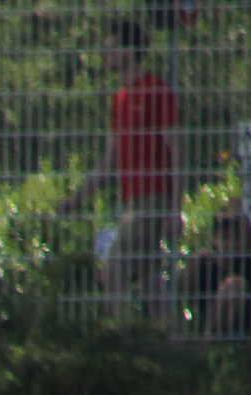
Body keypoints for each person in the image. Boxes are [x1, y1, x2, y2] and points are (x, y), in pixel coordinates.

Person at [60, 15, 179, 318]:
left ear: (129, 51)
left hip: (152, 199)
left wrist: (174, 209)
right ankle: (167, 337)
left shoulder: (156, 89)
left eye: (110, 48)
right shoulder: (121, 98)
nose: (104, 55)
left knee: (114, 269)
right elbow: (109, 160)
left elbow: (177, 150)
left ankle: (118, 336)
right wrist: (77, 197)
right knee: (150, 279)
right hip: (132, 201)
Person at [181, 205, 251, 337]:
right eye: (224, 237)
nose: (229, 243)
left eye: (234, 237)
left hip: (245, 323)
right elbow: (184, 291)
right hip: (211, 322)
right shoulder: (206, 263)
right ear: (214, 239)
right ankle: (209, 340)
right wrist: (195, 261)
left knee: (236, 285)